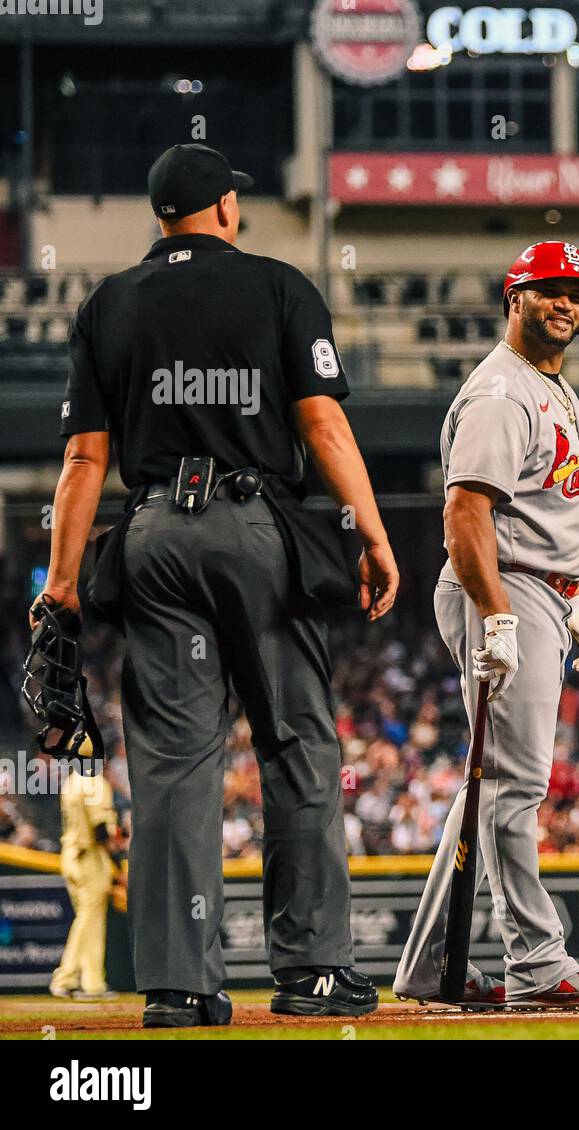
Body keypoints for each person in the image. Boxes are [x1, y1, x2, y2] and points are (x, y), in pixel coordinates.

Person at [35, 143, 399, 1028]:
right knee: (296, 746)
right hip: (253, 525)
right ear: (225, 209)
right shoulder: (278, 286)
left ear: (162, 217)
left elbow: (85, 459)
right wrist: (374, 535)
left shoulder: (108, 303)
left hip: (154, 530)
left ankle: (179, 986)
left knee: (173, 768)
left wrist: (62, 586)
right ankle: (311, 970)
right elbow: (324, 426)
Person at [394, 241, 579, 1010]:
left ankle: (432, 966)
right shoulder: (501, 390)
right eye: (549, 290)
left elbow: (548, 505)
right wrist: (498, 616)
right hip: (506, 589)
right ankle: (537, 961)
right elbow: (466, 512)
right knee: (516, 785)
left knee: (489, 786)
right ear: (514, 297)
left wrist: (577, 593)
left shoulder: (553, 387)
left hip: (542, 589)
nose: (566, 303)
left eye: (576, 293)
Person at [49, 758, 121, 1001]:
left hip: (70, 853)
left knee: (91, 918)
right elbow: (100, 829)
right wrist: (118, 865)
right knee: (89, 918)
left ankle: (92, 982)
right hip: (90, 855)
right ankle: (65, 977)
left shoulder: (70, 782)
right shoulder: (95, 783)